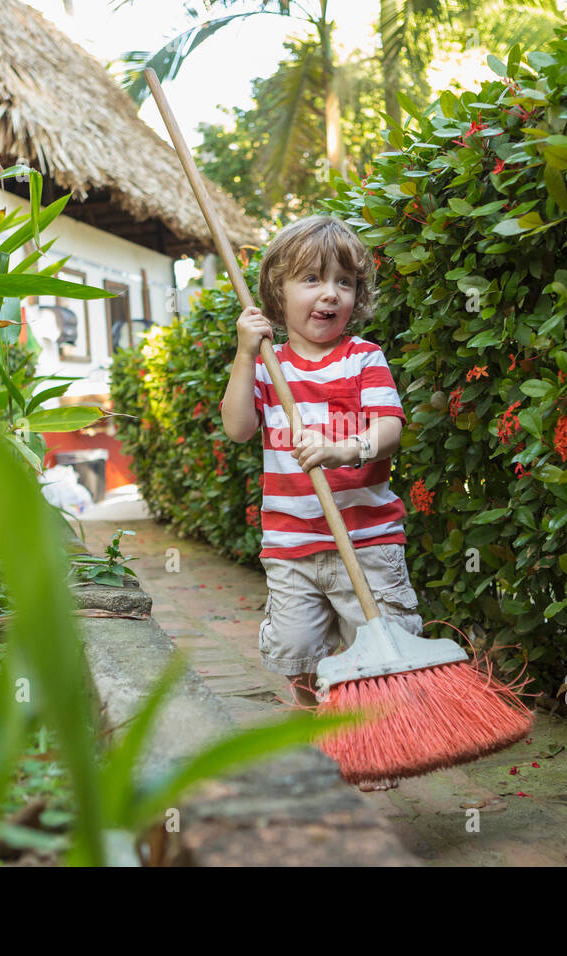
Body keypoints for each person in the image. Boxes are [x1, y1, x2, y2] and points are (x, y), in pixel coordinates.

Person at [218, 215, 421, 791]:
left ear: (356, 298)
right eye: (310, 279)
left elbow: (389, 430)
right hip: (291, 545)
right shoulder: (265, 364)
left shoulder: (363, 358)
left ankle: (374, 746)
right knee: (296, 650)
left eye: (344, 282)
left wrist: (342, 448)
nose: (329, 292)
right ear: (276, 295)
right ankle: (312, 732)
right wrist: (243, 351)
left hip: (366, 541)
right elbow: (237, 428)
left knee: (375, 648)